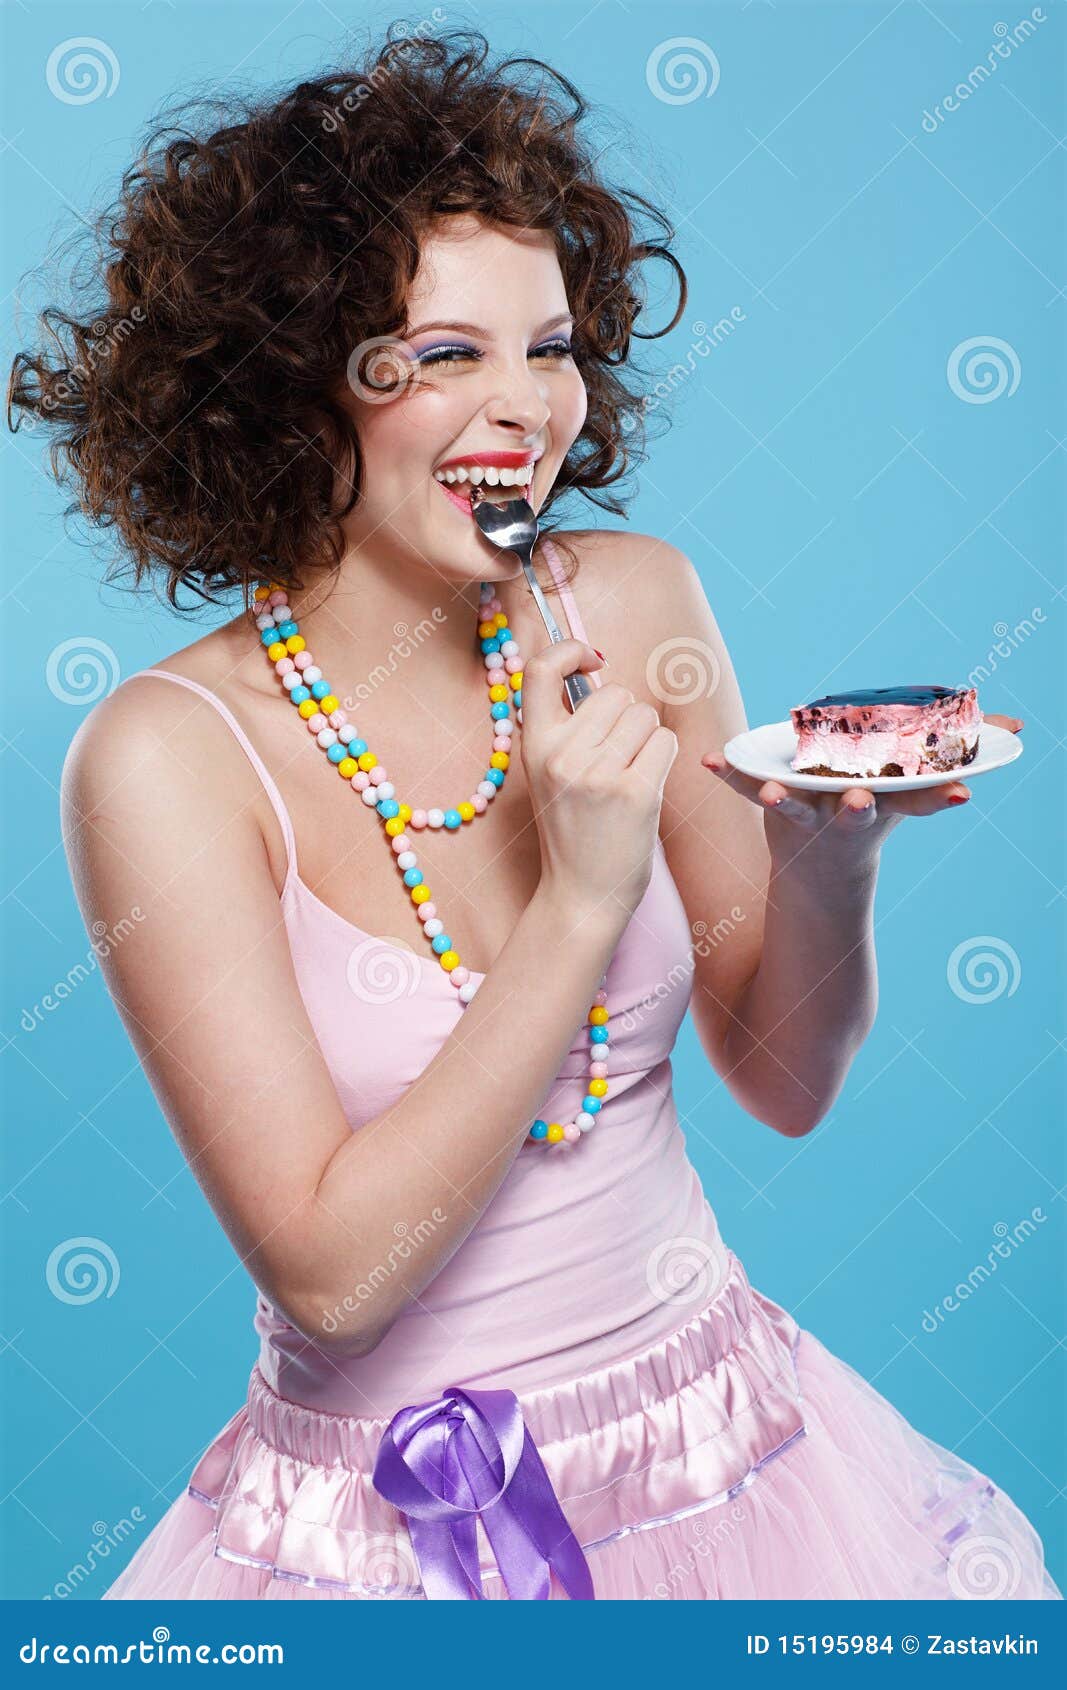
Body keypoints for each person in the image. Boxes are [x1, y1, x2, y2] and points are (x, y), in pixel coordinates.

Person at [11, 27, 1058, 1601]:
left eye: (550, 346)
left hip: (732, 1457)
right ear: (294, 381)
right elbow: (336, 1273)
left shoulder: (633, 604)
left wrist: (823, 861)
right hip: (376, 1540)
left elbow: (783, 1082)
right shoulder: (165, 757)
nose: (525, 409)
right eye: (443, 357)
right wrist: (579, 898)